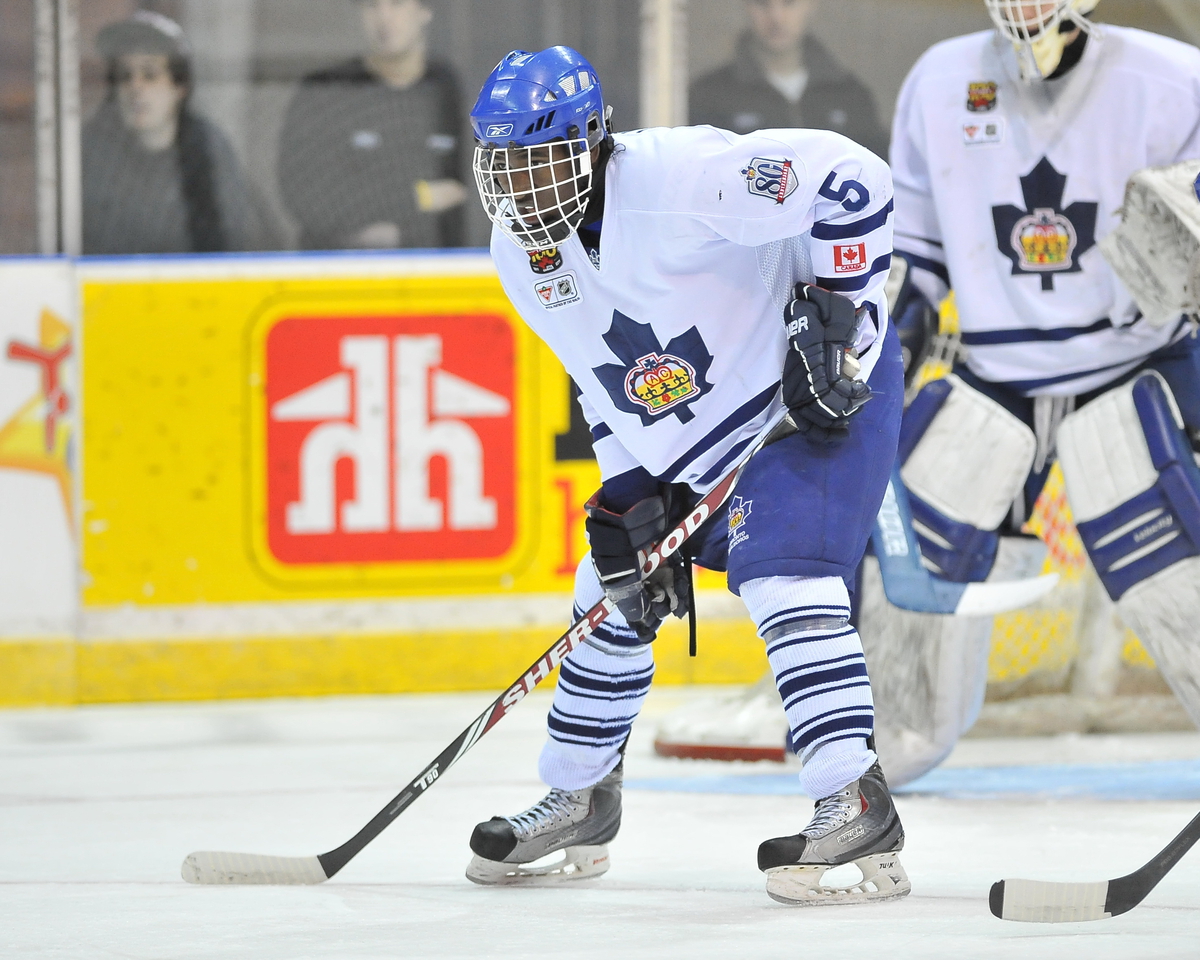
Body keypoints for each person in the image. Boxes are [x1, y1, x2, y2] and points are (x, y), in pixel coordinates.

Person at [464, 46, 910, 906]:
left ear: (591, 143)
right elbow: (600, 382)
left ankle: (855, 796)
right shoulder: (523, 255)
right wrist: (630, 492)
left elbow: (851, 179)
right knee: (610, 580)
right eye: (501, 164)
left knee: (784, 569)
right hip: (700, 437)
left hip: (810, 392)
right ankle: (582, 796)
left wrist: (837, 322)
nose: (516, 186)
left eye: (536, 159)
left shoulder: (686, 177)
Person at [883, 0, 1200, 754]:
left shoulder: (1174, 78)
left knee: (1173, 573)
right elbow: (911, 257)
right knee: (910, 563)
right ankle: (874, 763)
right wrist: (875, 358)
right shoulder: (940, 80)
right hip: (993, 373)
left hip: (1138, 361)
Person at [277, 0, 466, 250]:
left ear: (425, 10)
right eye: (371, 5)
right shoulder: (327, 90)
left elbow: (478, 189)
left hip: (440, 272)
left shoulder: (446, 88)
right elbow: (308, 197)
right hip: (337, 273)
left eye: (397, 4)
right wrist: (422, 196)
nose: (384, 17)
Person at [82, 10, 260, 254]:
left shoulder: (208, 151)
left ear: (180, 87)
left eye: (150, 75)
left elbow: (235, 245)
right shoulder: (92, 152)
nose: (136, 88)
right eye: (125, 76)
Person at [690, 0, 889, 160]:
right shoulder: (710, 96)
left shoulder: (850, 95)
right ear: (747, 6)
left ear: (811, 5)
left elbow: (876, 177)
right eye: (762, 3)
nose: (776, 18)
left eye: (789, 3)